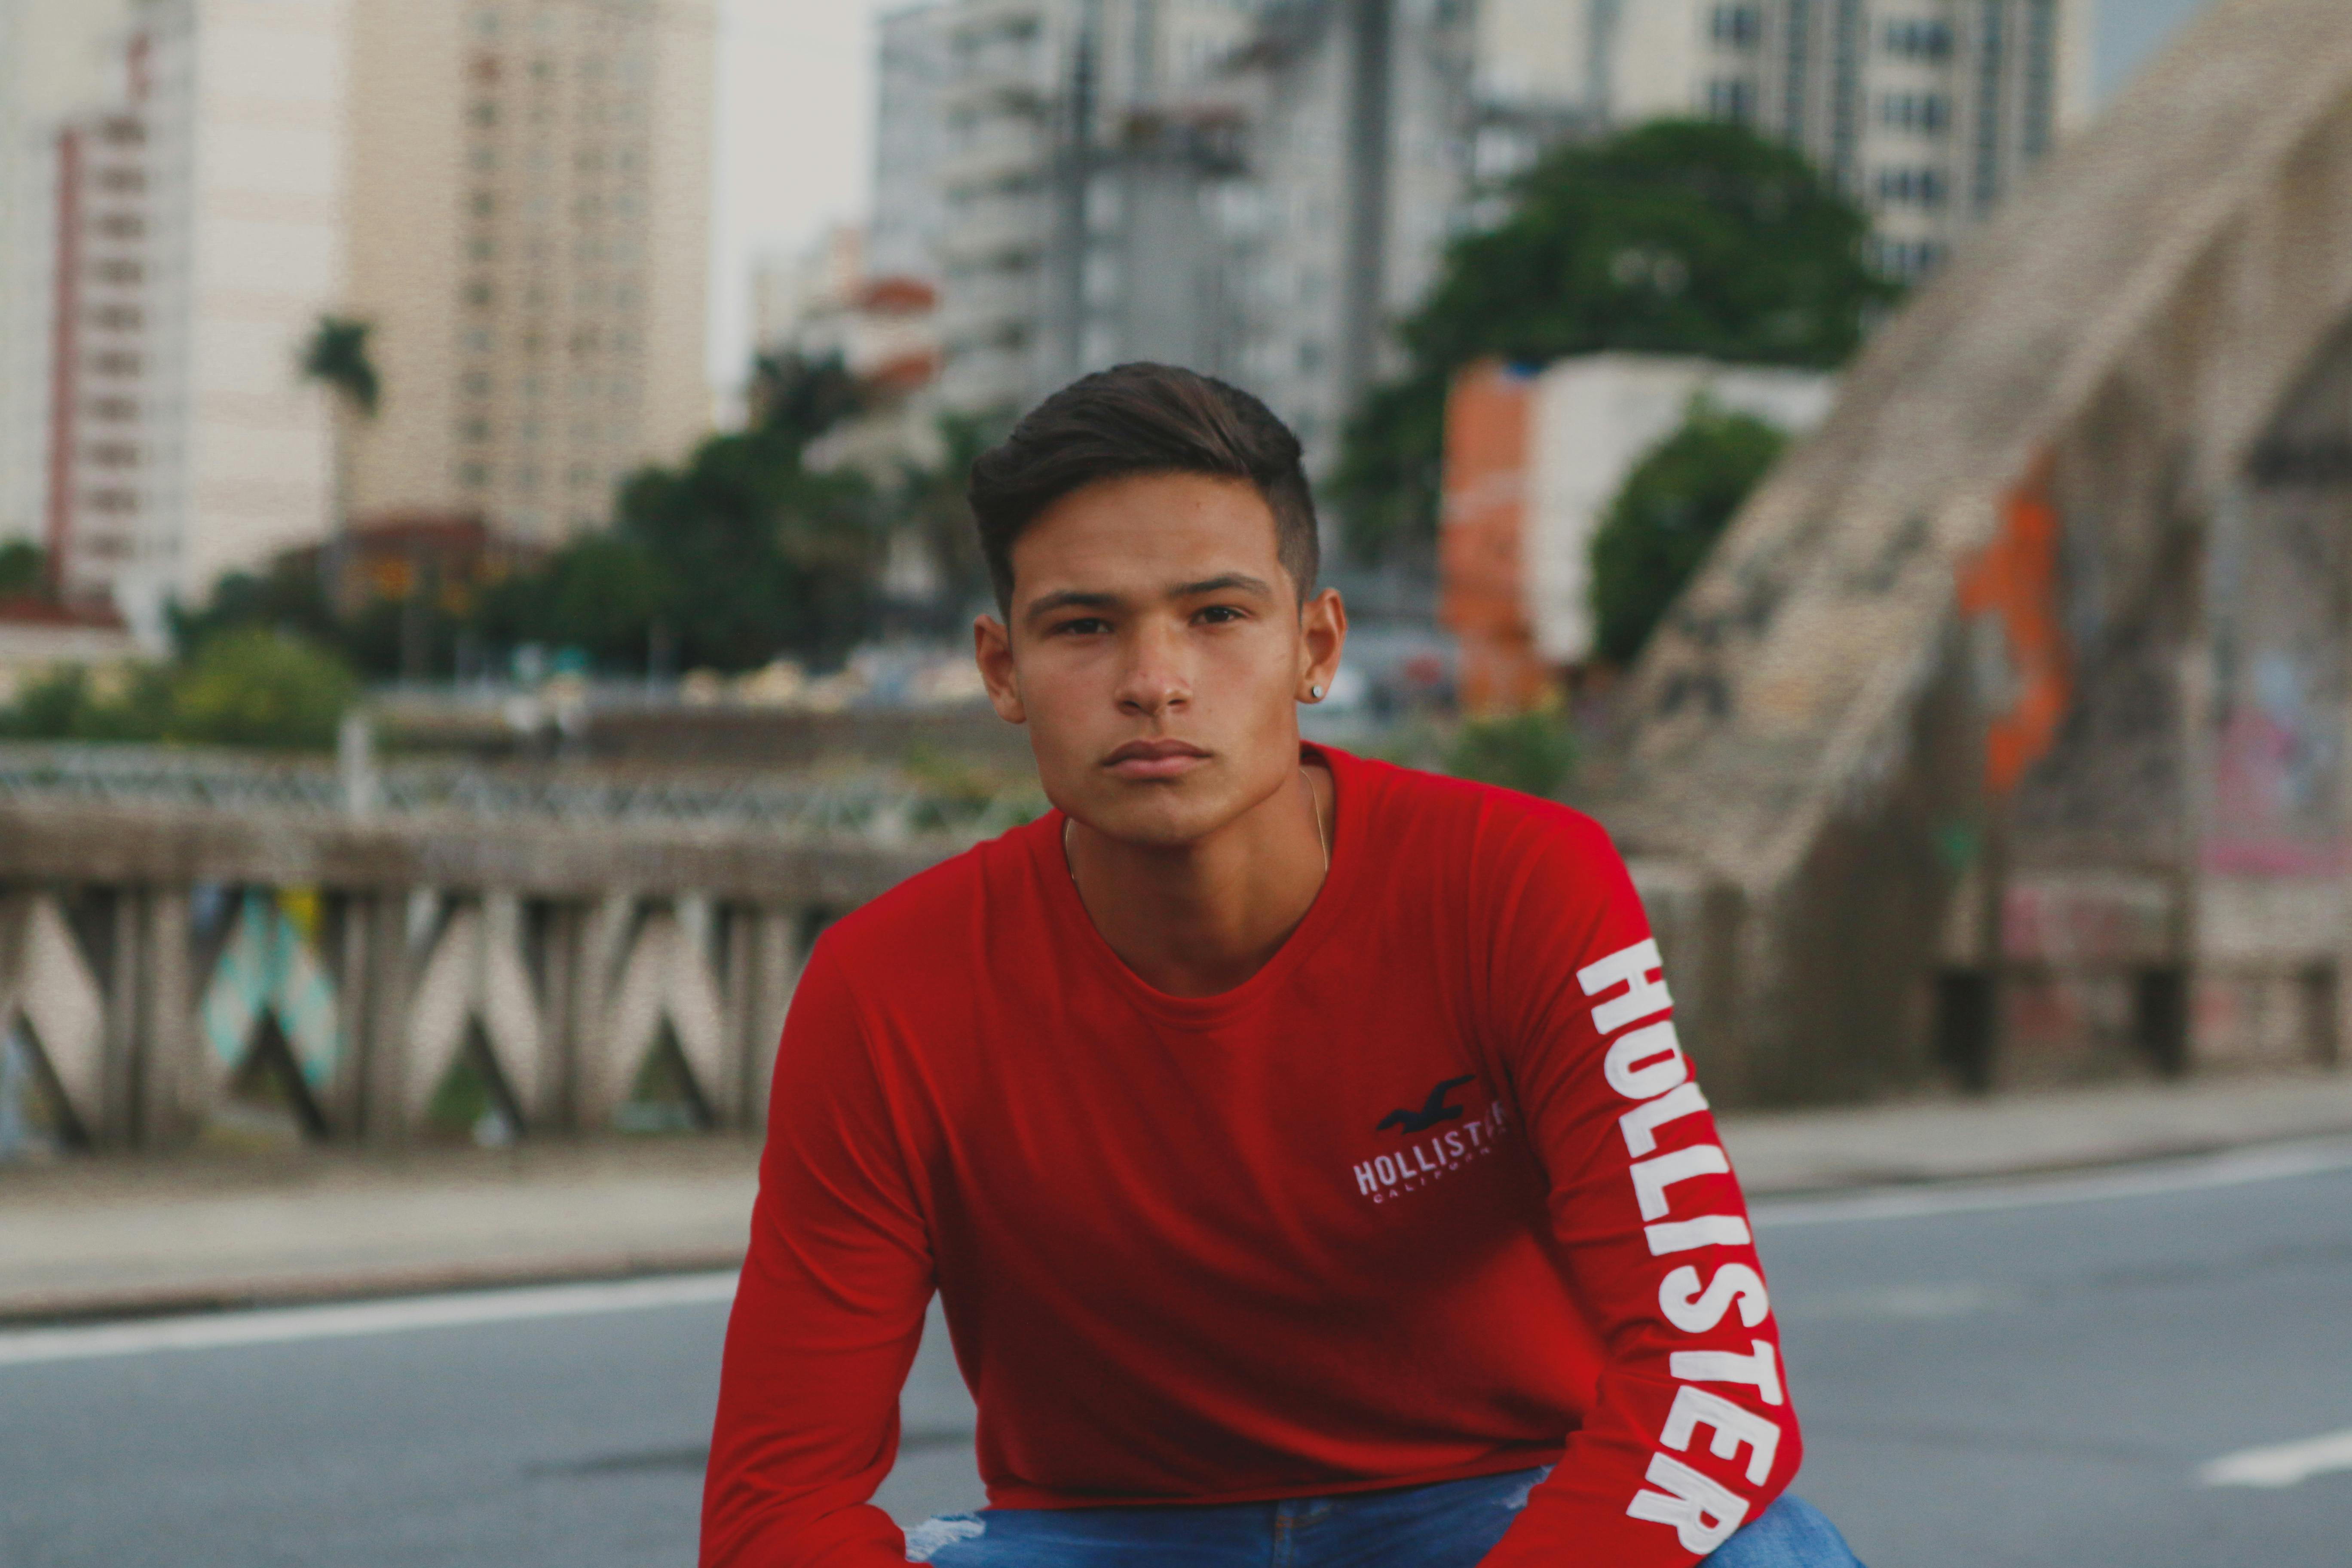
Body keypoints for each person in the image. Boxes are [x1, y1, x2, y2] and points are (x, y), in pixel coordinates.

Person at [701, 364, 1866, 1568]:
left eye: (1216, 616)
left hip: (1494, 1505)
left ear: (1315, 645)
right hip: (1109, 1537)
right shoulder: (887, 987)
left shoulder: (1520, 885)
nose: (1155, 682)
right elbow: (772, 1511)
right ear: (1003, 671)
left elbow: (1711, 1372)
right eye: (1085, 627)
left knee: (1768, 1555)